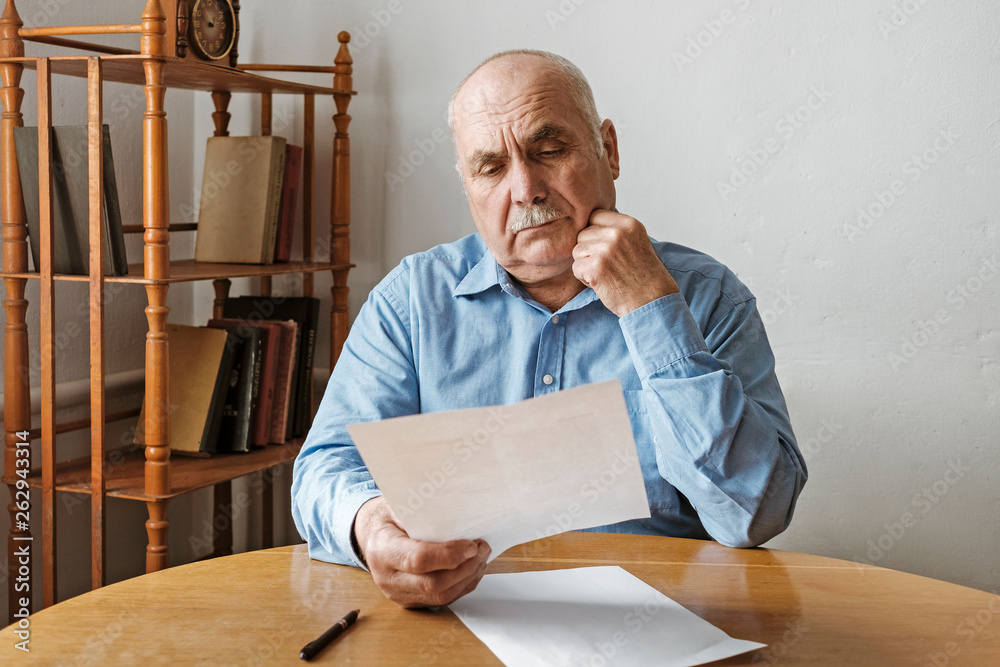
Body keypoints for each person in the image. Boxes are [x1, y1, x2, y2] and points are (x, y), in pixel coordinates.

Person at [292, 49, 807, 608]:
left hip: (654, 627)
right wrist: (370, 528)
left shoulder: (708, 296)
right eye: (491, 167)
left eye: (550, 150)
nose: (526, 189)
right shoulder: (412, 300)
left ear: (608, 149)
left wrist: (650, 309)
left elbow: (755, 512)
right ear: (466, 182)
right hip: (459, 620)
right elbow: (323, 469)